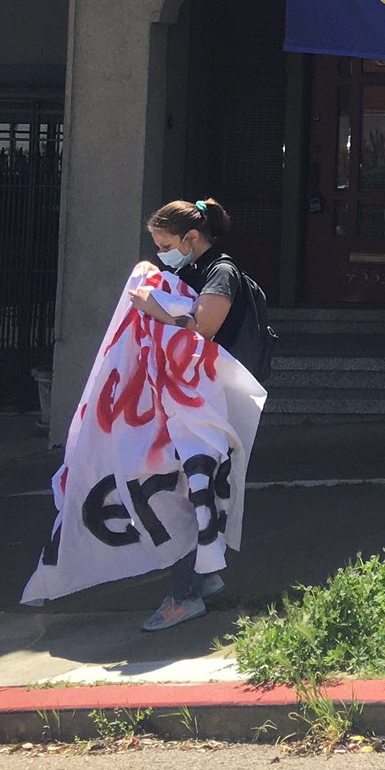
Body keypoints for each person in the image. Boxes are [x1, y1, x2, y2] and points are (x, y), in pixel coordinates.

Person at [128, 197, 245, 631]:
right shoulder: (184, 271)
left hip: (205, 403)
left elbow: (204, 327)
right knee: (190, 493)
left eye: (164, 243)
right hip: (185, 402)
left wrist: (153, 308)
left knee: (186, 496)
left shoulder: (220, 273)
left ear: (190, 238)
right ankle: (202, 577)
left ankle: (183, 596)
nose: (161, 252)